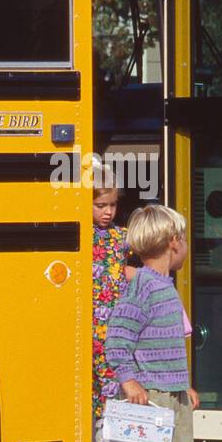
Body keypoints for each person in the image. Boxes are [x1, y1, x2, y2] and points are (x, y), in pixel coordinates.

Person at [105, 204, 222, 442]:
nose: (186, 247)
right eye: (184, 240)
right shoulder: (142, 286)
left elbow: (165, 347)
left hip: (173, 395)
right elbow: (117, 340)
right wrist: (129, 381)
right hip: (149, 401)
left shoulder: (165, 287)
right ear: (173, 243)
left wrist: (183, 386)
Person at [92, 173, 136, 429]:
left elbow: (147, 242)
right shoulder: (82, 236)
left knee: (111, 369)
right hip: (90, 318)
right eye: (100, 206)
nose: (108, 212)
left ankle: (108, 424)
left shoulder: (121, 236)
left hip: (115, 319)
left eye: (112, 205)